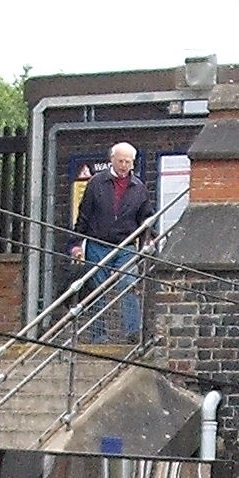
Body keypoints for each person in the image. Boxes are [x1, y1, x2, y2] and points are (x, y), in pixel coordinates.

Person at [68, 140, 155, 341]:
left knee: (128, 284)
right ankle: (98, 336)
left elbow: (145, 218)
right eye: (121, 161)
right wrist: (75, 243)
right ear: (112, 160)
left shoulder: (139, 188)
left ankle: (133, 333)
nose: (124, 165)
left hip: (126, 245)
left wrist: (148, 240)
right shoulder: (96, 183)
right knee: (96, 290)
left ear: (133, 163)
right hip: (98, 244)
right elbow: (84, 215)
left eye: (128, 162)